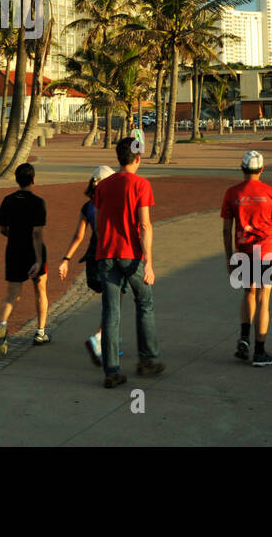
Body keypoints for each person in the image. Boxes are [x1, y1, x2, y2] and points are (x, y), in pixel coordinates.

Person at [91, 136, 164, 387]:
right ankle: (148, 359)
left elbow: (99, 224)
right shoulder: (141, 185)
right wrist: (150, 263)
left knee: (111, 312)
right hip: (131, 255)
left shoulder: (103, 186)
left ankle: (111, 371)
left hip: (106, 254)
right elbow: (145, 225)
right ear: (138, 158)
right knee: (145, 302)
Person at [221, 150, 272, 367]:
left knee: (248, 293)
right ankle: (260, 352)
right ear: (262, 170)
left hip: (243, 252)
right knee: (264, 298)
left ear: (242, 169)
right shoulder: (271, 192)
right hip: (268, 251)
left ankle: (244, 338)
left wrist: (229, 257)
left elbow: (226, 230)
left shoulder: (231, 193)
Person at [58, 165, 119, 366]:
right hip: (108, 258)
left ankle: (109, 340)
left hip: (92, 262)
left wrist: (66, 259)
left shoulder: (87, 206)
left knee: (109, 302)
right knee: (113, 303)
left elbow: (78, 236)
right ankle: (101, 339)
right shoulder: (110, 205)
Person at [0, 163, 50, 355]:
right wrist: (39, 260)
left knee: (12, 294)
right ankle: (41, 332)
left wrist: (14, 235)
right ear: (33, 179)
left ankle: (3, 323)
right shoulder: (38, 202)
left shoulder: (8, 200)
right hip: (33, 252)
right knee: (40, 290)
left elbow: (2, 229)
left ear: (17, 179)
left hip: (14, 250)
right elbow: (37, 233)